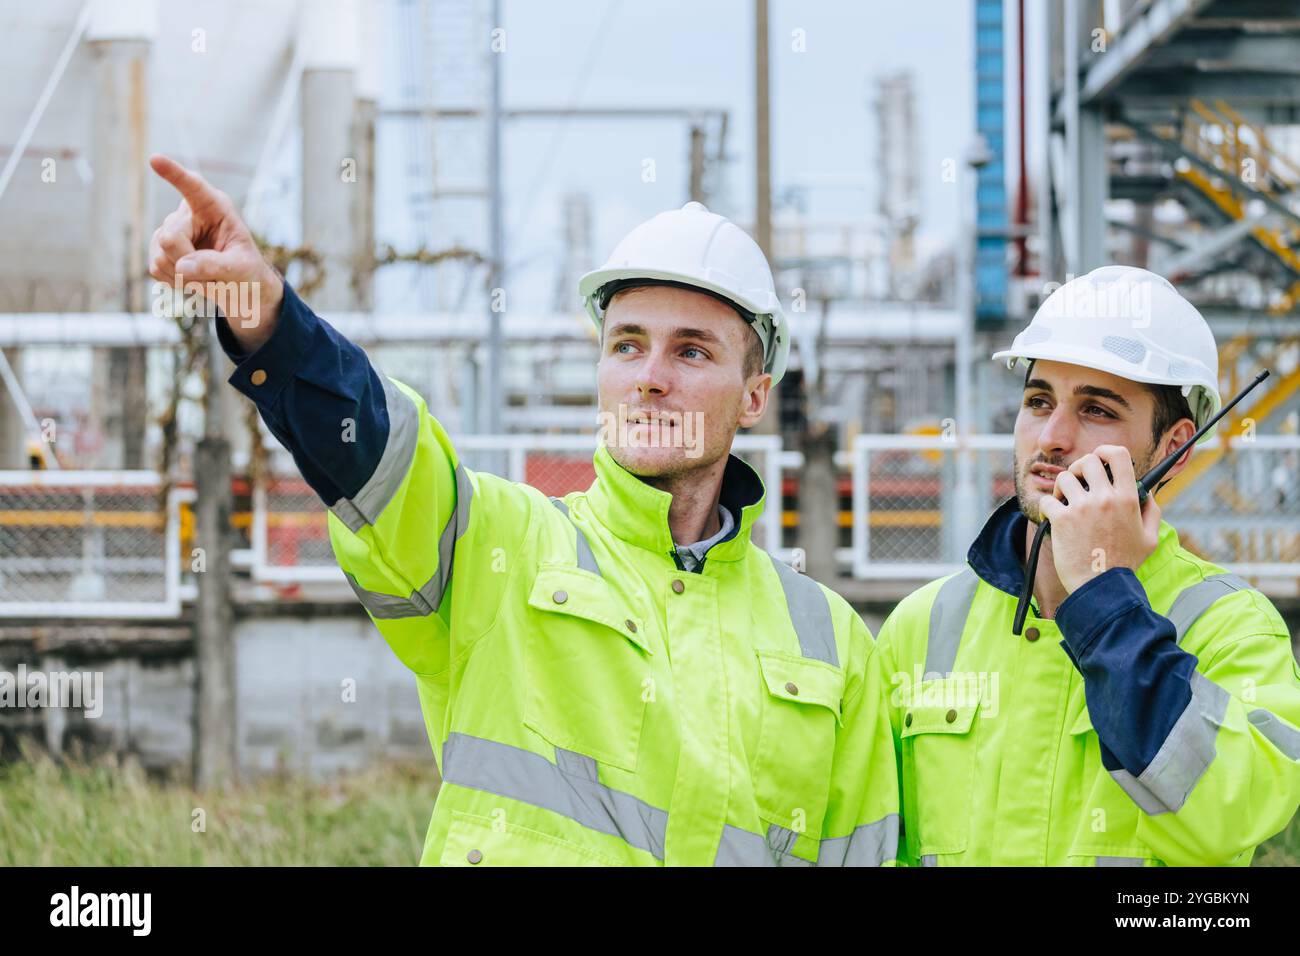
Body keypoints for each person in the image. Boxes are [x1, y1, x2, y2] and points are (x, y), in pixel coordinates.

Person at [146, 154, 898, 866]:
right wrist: (269, 317)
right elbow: (374, 449)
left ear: (755, 395)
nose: (650, 379)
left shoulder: (832, 643)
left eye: (692, 352)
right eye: (627, 346)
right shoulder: (502, 549)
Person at [874, 265, 1300, 865]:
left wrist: (1105, 597)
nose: (1051, 436)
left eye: (1096, 410)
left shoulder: (1233, 628)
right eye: (1038, 400)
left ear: (1174, 449)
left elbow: (1230, 815)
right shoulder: (923, 625)